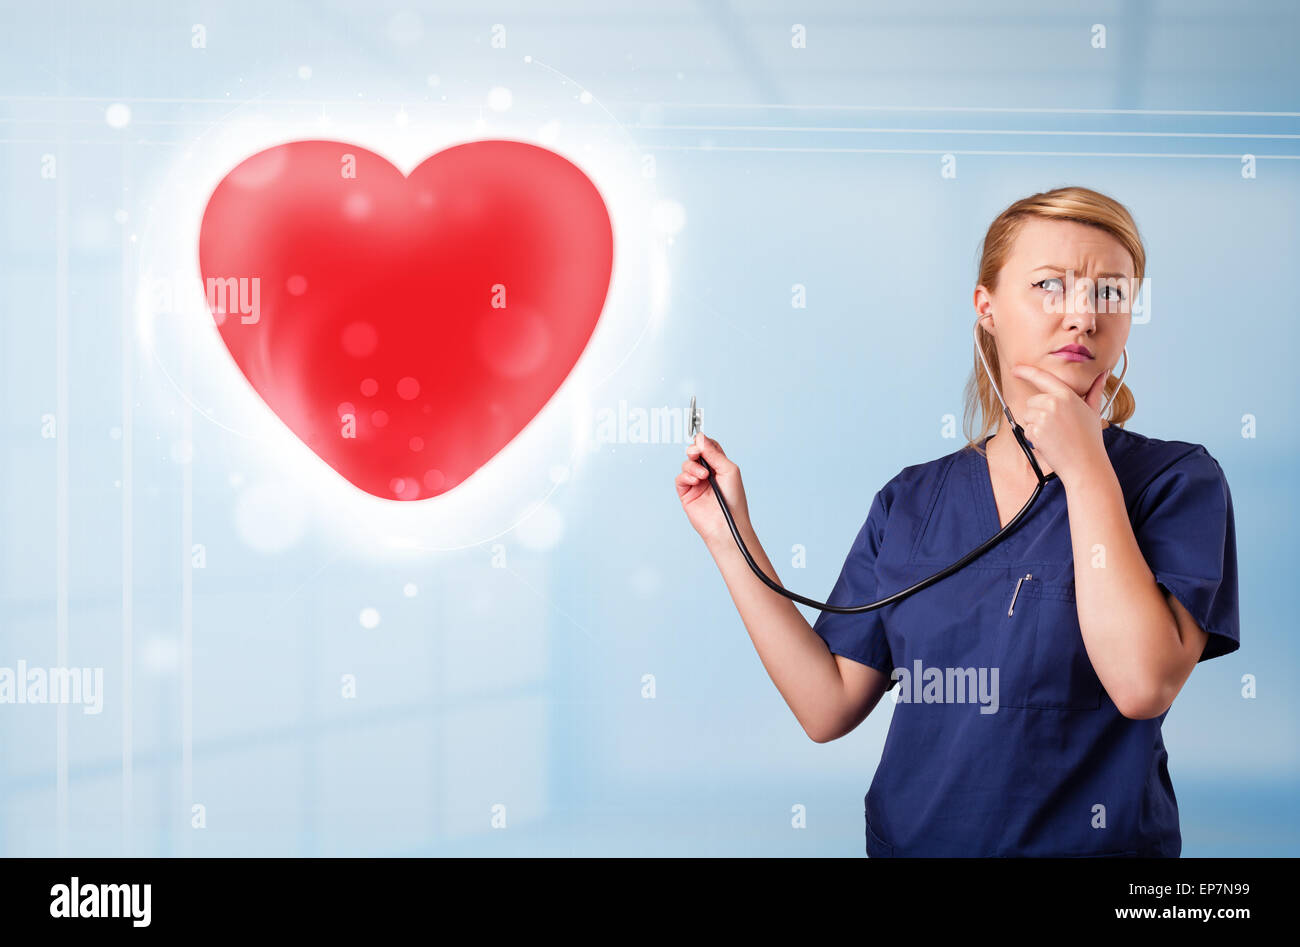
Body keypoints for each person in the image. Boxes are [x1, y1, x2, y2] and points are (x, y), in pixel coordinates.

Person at [674, 186, 1239, 857]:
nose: (1083, 315)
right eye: (1050, 285)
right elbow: (826, 704)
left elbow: (1143, 683)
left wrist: (1086, 467)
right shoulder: (910, 500)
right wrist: (727, 533)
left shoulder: (1176, 482)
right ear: (987, 309)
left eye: (1110, 291)